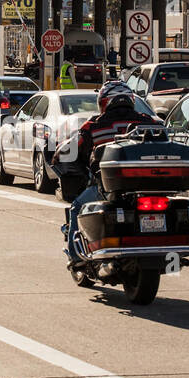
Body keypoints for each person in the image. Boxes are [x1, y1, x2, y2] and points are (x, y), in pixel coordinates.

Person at [52, 80, 159, 264]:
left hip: (109, 188)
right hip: (149, 187)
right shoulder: (149, 122)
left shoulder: (94, 125)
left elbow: (71, 151)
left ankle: (76, 258)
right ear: (131, 100)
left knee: (77, 207)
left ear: (104, 103)